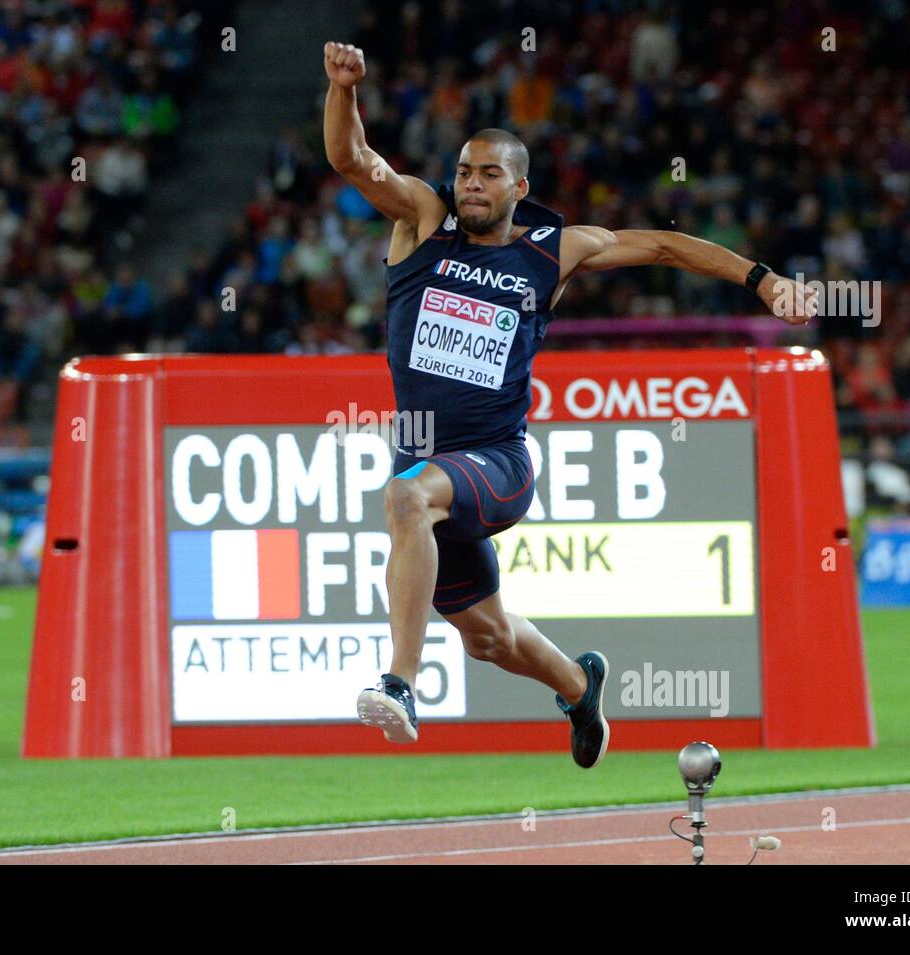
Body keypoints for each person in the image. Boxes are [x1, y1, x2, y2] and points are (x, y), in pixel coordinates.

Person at [321, 42, 816, 768]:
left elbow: (662, 248)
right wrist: (342, 90)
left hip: (497, 463)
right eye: (465, 171)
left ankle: (400, 682)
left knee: (404, 498)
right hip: (427, 461)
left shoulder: (553, 252)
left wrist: (762, 280)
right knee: (488, 636)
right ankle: (580, 687)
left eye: (490, 173)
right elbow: (350, 158)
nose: (471, 184)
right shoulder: (422, 220)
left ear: (521, 186)